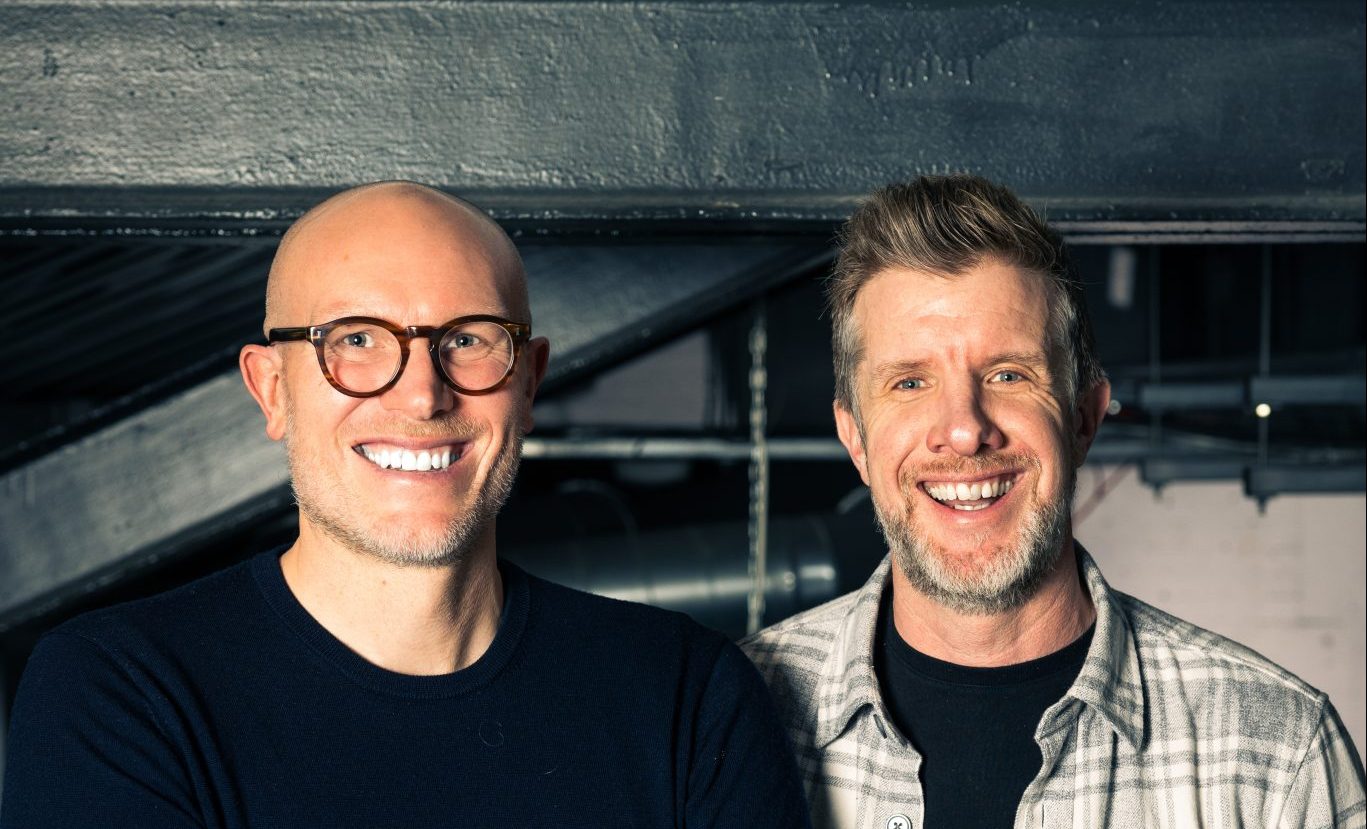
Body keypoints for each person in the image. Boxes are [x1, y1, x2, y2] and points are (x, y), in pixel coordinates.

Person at [2, 182, 809, 828]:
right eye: (355, 339)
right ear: (272, 389)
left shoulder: (685, 692)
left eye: (468, 339)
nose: (422, 394)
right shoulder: (123, 690)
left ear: (528, 382)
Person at [741, 175, 1366, 828]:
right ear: (855, 439)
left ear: (1083, 418)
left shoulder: (1277, 758)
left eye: (1007, 374)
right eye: (910, 382)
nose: (964, 429)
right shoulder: (725, 714)